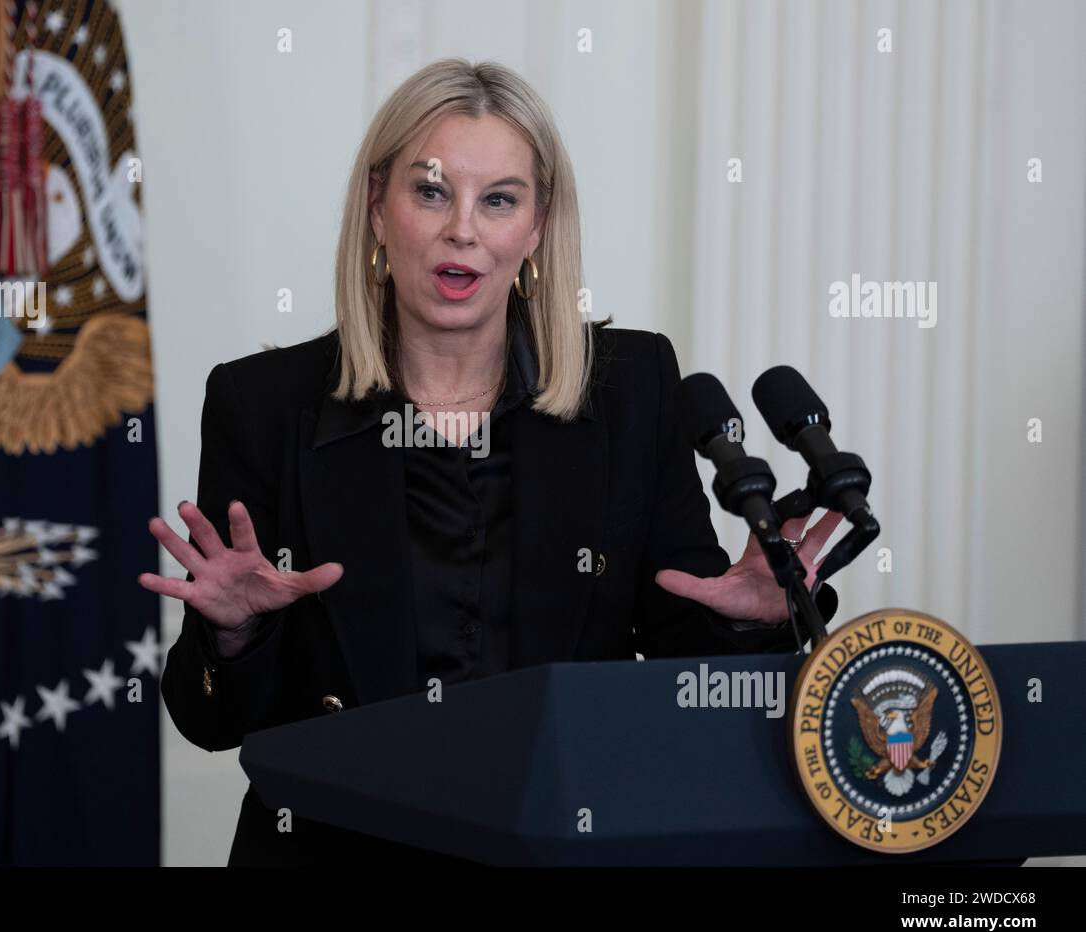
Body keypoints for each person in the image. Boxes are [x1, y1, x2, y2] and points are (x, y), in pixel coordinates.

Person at [139, 58, 840, 866]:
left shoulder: (630, 388)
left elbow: (683, 673)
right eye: (431, 191)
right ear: (377, 206)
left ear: (537, 227)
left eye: (499, 199)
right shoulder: (261, 404)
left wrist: (747, 622)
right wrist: (235, 638)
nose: (461, 229)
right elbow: (213, 724)